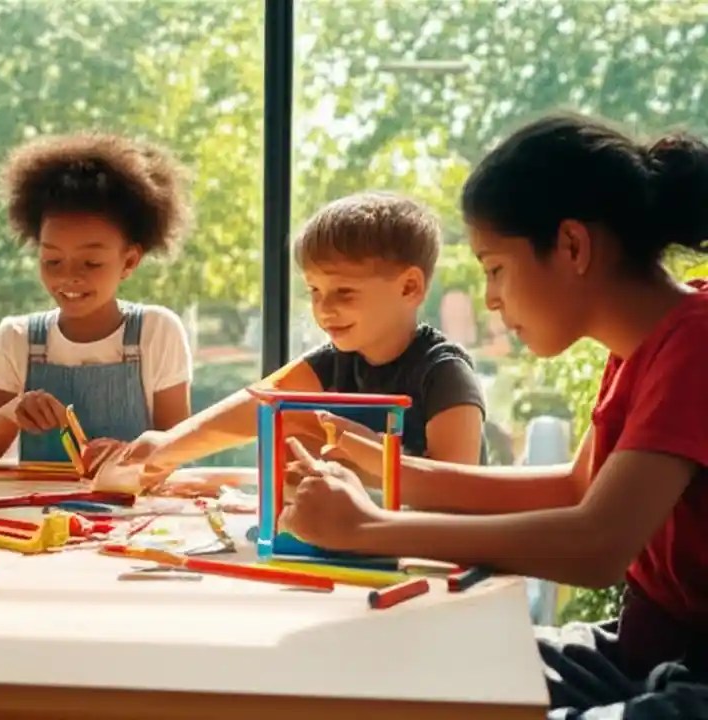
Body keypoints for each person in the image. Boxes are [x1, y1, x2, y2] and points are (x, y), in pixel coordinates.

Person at [282, 113, 708, 718]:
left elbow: (598, 544)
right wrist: (385, 468)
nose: (490, 298)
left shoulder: (695, 343)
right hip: (643, 653)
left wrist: (369, 527)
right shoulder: (642, 348)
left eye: (495, 268)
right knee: (405, 670)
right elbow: (576, 489)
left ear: (572, 246)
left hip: (690, 676)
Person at [97, 191, 486, 490]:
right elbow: (256, 406)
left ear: (409, 287)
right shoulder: (333, 361)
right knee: (291, 435)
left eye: (344, 292)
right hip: (357, 544)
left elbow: (457, 487)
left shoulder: (444, 372)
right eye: (315, 291)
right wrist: (165, 447)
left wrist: (364, 450)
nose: (324, 309)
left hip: (438, 553)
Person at [0, 132, 194, 467]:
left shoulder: (158, 332)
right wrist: (10, 413)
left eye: (91, 263)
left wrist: (129, 458)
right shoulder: (16, 339)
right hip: (35, 502)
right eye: (52, 260)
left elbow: (179, 452)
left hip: (130, 502)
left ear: (129, 261)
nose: (68, 276)